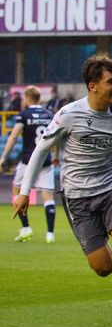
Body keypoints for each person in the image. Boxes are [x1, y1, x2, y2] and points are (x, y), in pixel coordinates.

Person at [12, 55, 112, 327]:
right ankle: (100, 232)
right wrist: (23, 192)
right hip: (77, 196)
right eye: (110, 81)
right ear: (92, 85)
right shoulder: (68, 115)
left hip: (110, 188)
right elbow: (40, 151)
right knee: (103, 268)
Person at [0, 85, 57, 243]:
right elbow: (56, 136)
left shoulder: (24, 115)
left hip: (27, 161)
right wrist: (56, 155)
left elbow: (13, 136)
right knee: (48, 196)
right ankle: (50, 234)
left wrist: (3, 157)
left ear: (27, 98)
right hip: (45, 160)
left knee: (17, 191)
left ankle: (26, 228)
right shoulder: (49, 115)